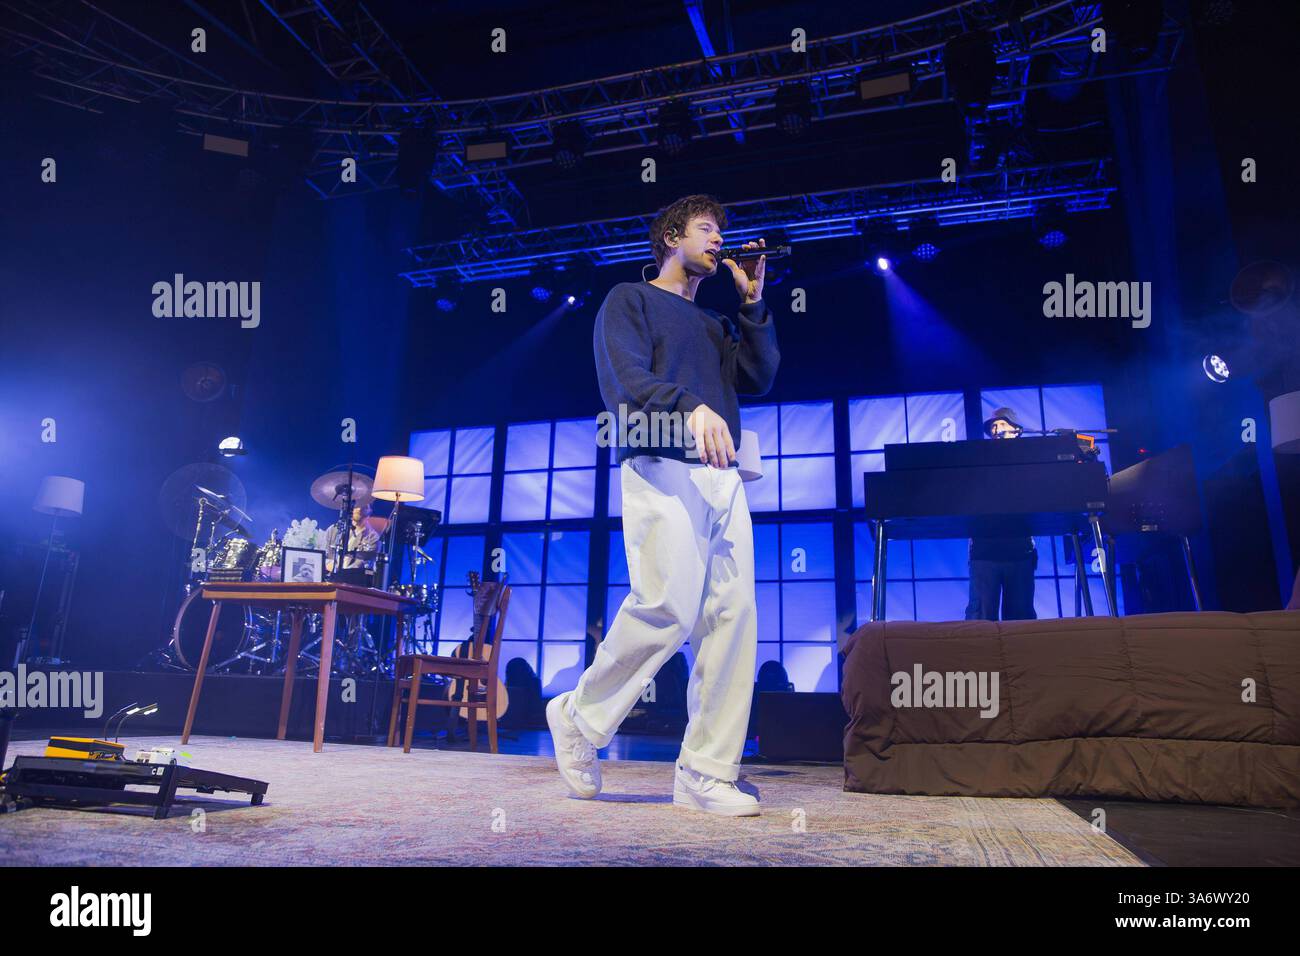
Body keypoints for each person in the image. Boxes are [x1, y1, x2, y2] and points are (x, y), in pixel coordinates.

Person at [546, 194, 780, 816]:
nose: (717, 240)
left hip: (723, 472)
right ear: (673, 235)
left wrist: (753, 302)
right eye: (706, 228)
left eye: (720, 232)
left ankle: (705, 771)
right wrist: (689, 406)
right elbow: (624, 383)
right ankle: (579, 716)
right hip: (657, 461)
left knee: (733, 616)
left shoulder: (716, 323)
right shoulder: (629, 298)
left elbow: (760, 377)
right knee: (667, 605)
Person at [964, 407, 1038, 621]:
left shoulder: (1029, 461)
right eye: (993, 427)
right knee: (981, 620)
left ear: (1016, 430)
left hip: (1020, 551)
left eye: (1002, 425)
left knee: (1020, 619)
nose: (996, 430)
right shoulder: (980, 461)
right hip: (984, 550)